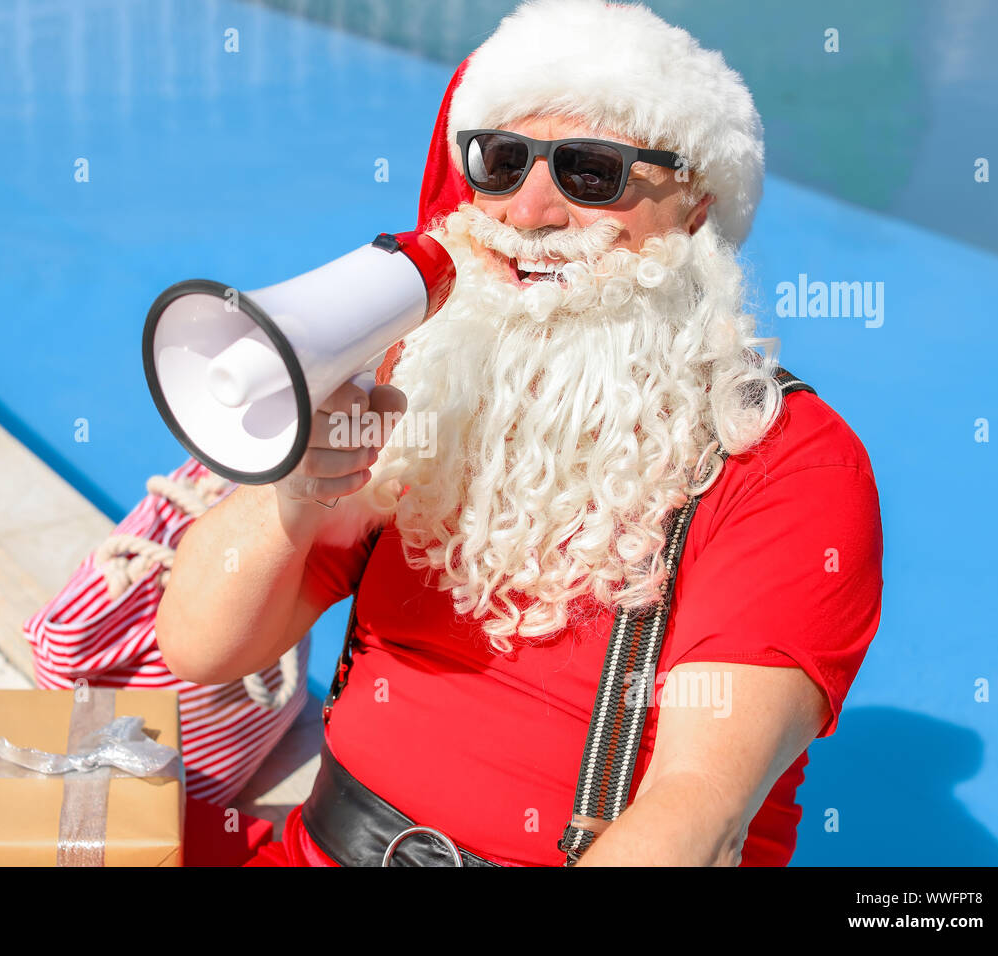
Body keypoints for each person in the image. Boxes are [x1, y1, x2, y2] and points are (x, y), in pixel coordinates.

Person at [156, 0, 883, 866]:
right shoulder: (424, 383)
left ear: (693, 208)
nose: (528, 211)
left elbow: (698, 812)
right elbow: (200, 647)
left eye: (590, 172)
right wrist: (298, 486)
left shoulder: (786, 459)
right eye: (500, 162)